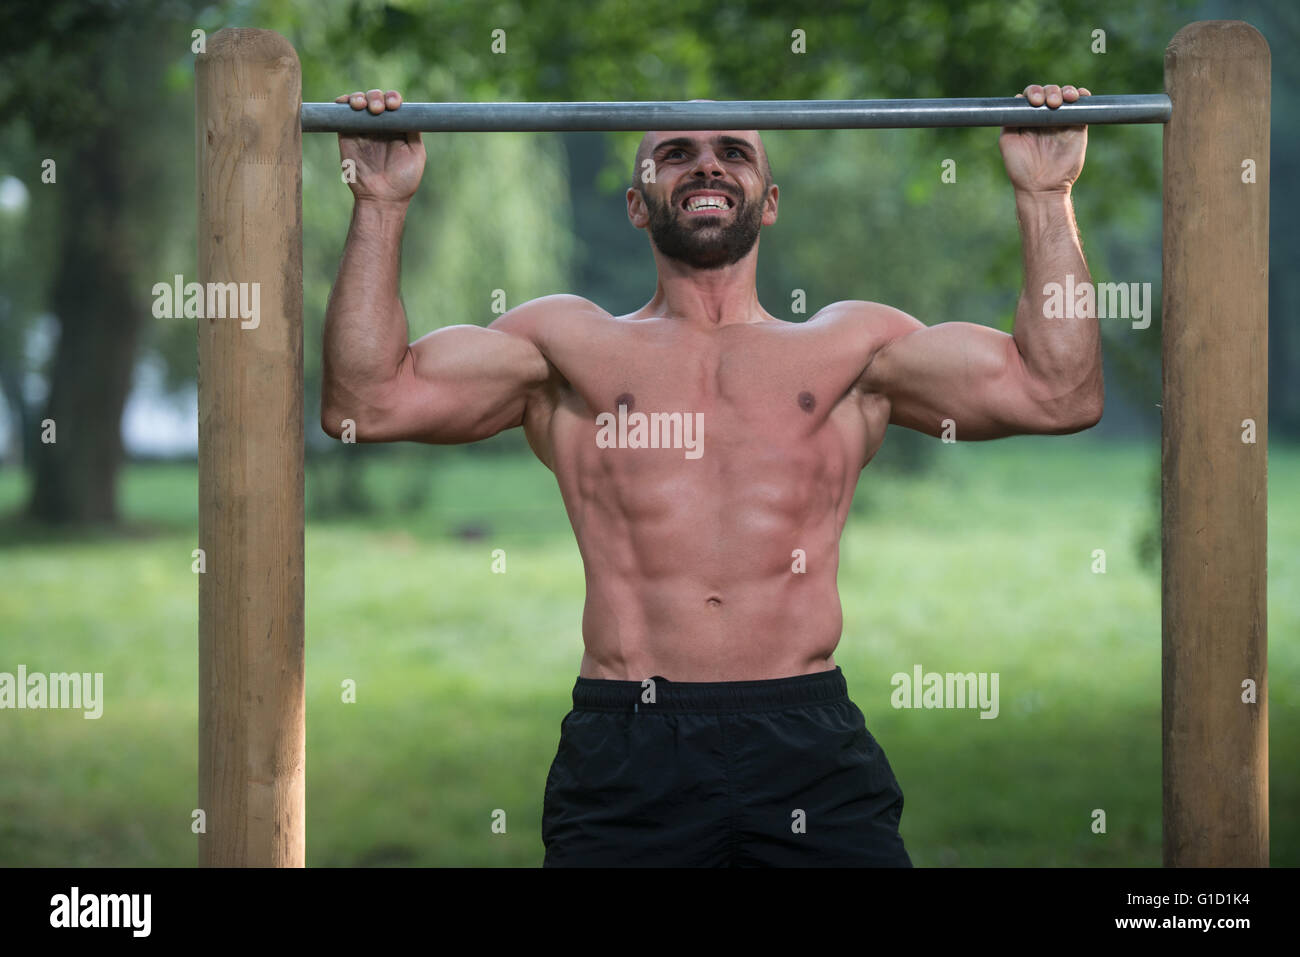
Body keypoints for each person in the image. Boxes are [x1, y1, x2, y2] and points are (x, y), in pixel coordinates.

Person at [321, 83, 1102, 866]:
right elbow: (369, 398)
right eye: (677, 154)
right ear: (637, 202)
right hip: (629, 744)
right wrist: (380, 204)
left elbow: (1058, 391)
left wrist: (1044, 192)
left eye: (734, 152)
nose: (707, 166)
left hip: (807, 747)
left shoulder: (853, 349)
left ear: (767, 202)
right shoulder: (566, 346)